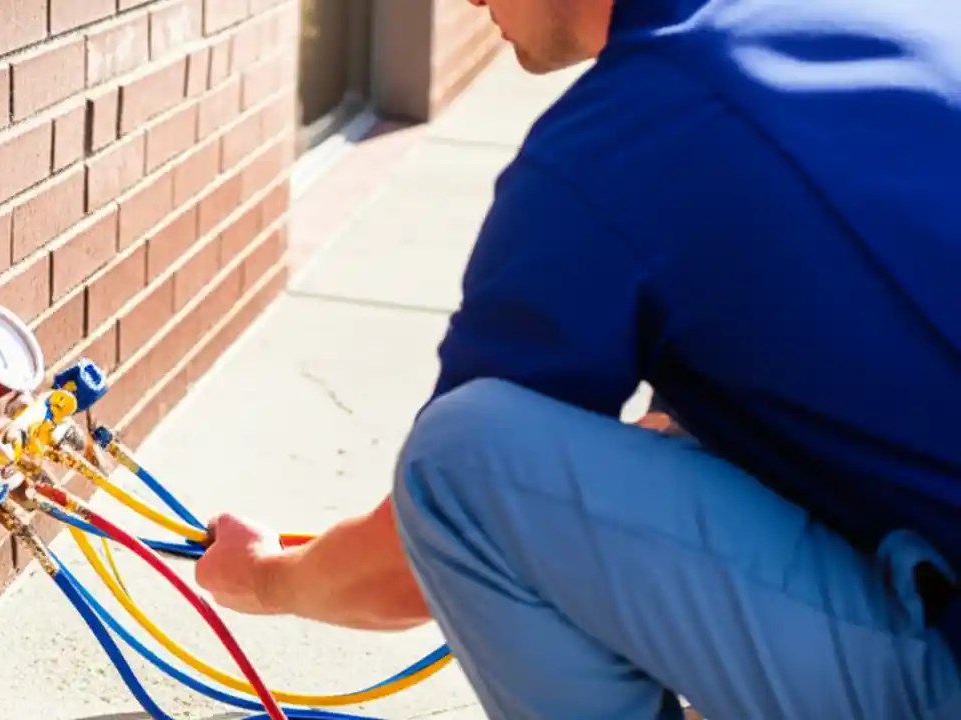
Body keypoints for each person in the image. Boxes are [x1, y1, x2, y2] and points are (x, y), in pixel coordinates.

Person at [193, 0, 961, 717]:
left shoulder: (632, 135)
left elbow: (406, 561)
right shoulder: (880, 21)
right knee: (687, 436)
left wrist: (263, 578)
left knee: (464, 462)